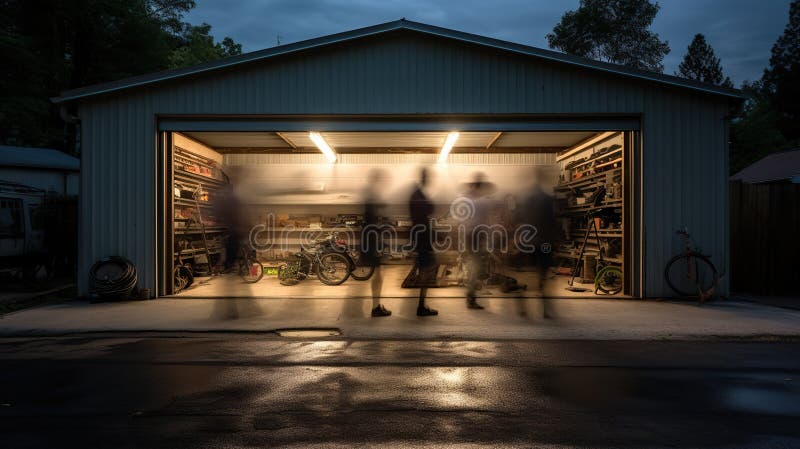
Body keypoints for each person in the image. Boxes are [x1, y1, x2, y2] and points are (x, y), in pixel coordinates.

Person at [519, 167, 559, 317]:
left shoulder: (526, 198)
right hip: (543, 242)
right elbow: (551, 222)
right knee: (543, 274)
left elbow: (520, 220)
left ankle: (523, 306)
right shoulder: (547, 198)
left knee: (528, 274)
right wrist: (554, 241)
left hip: (528, 241)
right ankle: (545, 309)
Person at [460, 172, 496, 310]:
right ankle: (471, 297)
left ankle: (471, 294)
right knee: (476, 266)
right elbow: (487, 222)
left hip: (470, 235)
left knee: (474, 265)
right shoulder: (483, 202)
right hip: (477, 235)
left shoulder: (468, 199)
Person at [362, 169, 391, 317]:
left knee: (379, 272)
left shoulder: (369, 192)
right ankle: (375, 307)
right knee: (378, 273)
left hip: (372, 236)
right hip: (372, 237)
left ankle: (376, 305)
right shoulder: (371, 193)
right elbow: (382, 204)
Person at [409, 167, 438, 316]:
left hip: (420, 237)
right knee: (428, 269)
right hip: (423, 238)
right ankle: (421, 306)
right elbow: (431, 209)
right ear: (424, 178)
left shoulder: (416, 194)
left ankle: (421, 304)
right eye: (428, 178)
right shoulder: (419, 195)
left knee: (425, 269)